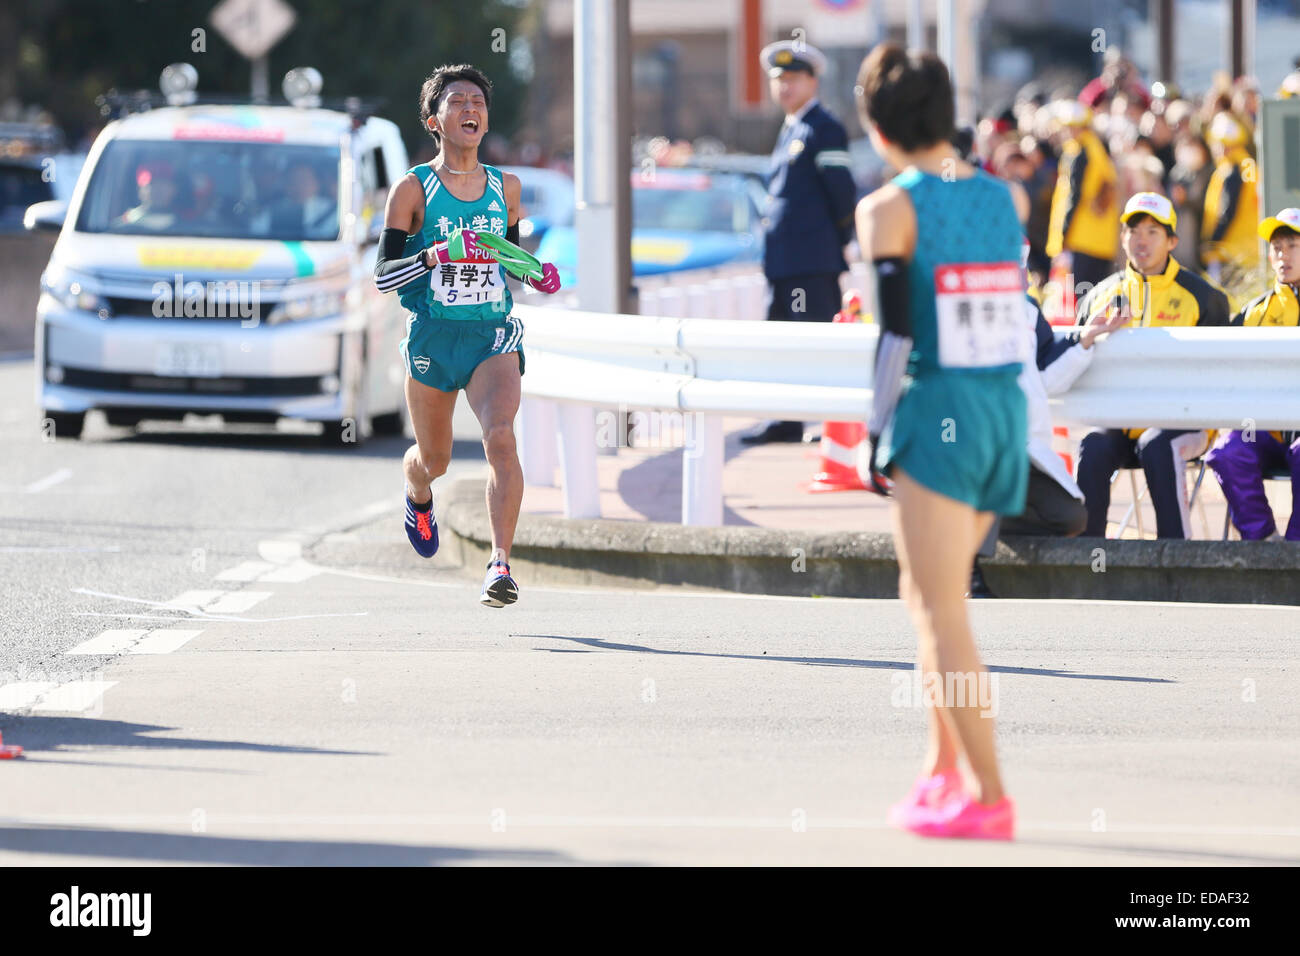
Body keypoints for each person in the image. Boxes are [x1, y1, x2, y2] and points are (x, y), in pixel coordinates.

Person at [857, 43, 1027, 840]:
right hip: (1001, 411)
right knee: (933, 599)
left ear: (877, 125)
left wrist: (872, 429)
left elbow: (894, 337)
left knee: (938, 613)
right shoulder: (1007, 199)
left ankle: (989, 795)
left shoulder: (889, 208)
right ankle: (941, 771)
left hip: (937, 412)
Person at [373, 63, 561, 607]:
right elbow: (383, 275)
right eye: (457, 101)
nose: (470, 108)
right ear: (434, 119)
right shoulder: (412, 188)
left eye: (477, 100)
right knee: (435, 459)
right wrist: (436, 254)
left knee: (500, 435)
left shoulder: (507, 187)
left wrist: (535, 273)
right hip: (433, 338)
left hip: (491, 336)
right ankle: (417, 490)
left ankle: (500, 565)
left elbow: (509, 259)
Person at [1073, 192, 1231, 539]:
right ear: (1122, 238)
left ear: (1172, 240)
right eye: (1133, 231)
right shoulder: (1097, 296)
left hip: (1184, 424)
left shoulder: (1204, 297)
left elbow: (1221, 373)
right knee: (1093, 445)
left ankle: (1177, 563)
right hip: (1119, 422)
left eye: (1153, 232)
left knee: (1157, 443)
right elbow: (1077, 363)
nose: (1140, 240)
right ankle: (1086, 564)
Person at [741, 40, 857, 445]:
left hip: (811, 261)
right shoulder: (792, 127)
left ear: (813, 81)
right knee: (783, 343)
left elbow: (842, 194)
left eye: (793, 79)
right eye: (779, 80)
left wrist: (841, 239)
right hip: (787, 260)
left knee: (814, 341)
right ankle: (786, 421)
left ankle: (831, 427)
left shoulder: (823, 127)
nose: (785, 87)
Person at [1207, 208, 1300, 540]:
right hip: (1266, 428)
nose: (1282, 255)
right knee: (1229, 450)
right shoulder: (1253, 312)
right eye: (1277, 247)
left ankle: (1294, 554)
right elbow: (1230, 374)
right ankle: (1262, 545)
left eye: (1292, 245)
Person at [1045, 100, 1119, 295]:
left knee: (1083, 301)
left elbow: (1073, 196)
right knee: (1098, 299)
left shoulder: (1080, 152)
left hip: (1082, 238)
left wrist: (1063, 235)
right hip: (1100, 240)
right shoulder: (1097, 149)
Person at [1201, 112, 1260, 287]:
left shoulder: (1232, 170)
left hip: (1232, 252)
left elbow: (1227, 211)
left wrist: (1211, 242)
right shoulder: (1248, 165)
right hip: (1249, 251)